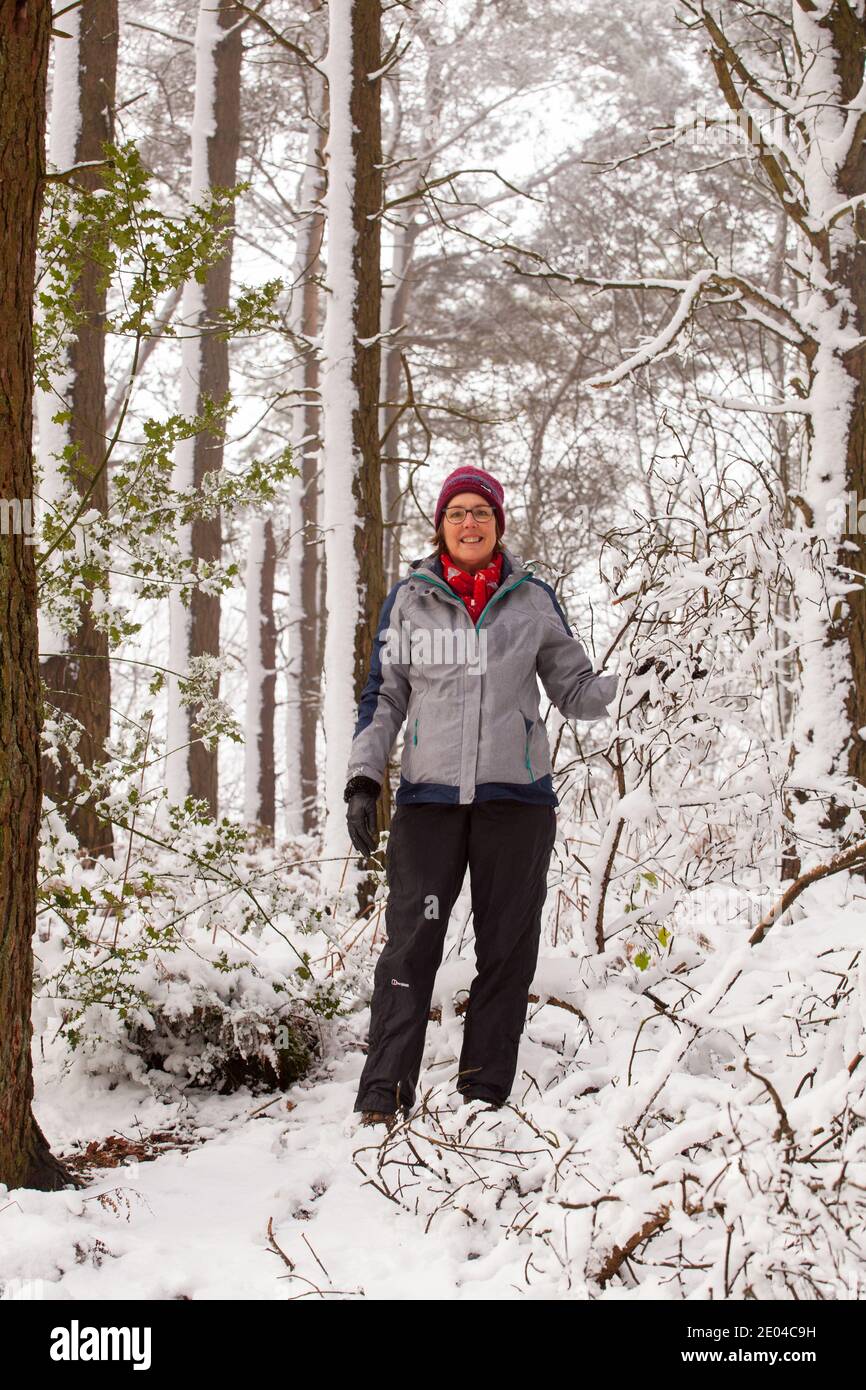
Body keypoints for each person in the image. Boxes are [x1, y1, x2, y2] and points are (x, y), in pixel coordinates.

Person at [343, 465, 643, 1129]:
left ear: (498, 523)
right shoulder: (410, 601)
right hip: (428, 804)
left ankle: (483, 1096)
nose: (469, 523)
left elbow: (576, 691)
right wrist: (365, 777)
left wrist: (639, 680)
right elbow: (384, 695)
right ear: (441, 525)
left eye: (480, 511)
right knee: (410, 943)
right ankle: (380, 1097)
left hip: (517, 802)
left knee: (506, 947)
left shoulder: (532, 598)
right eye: (457, 513)